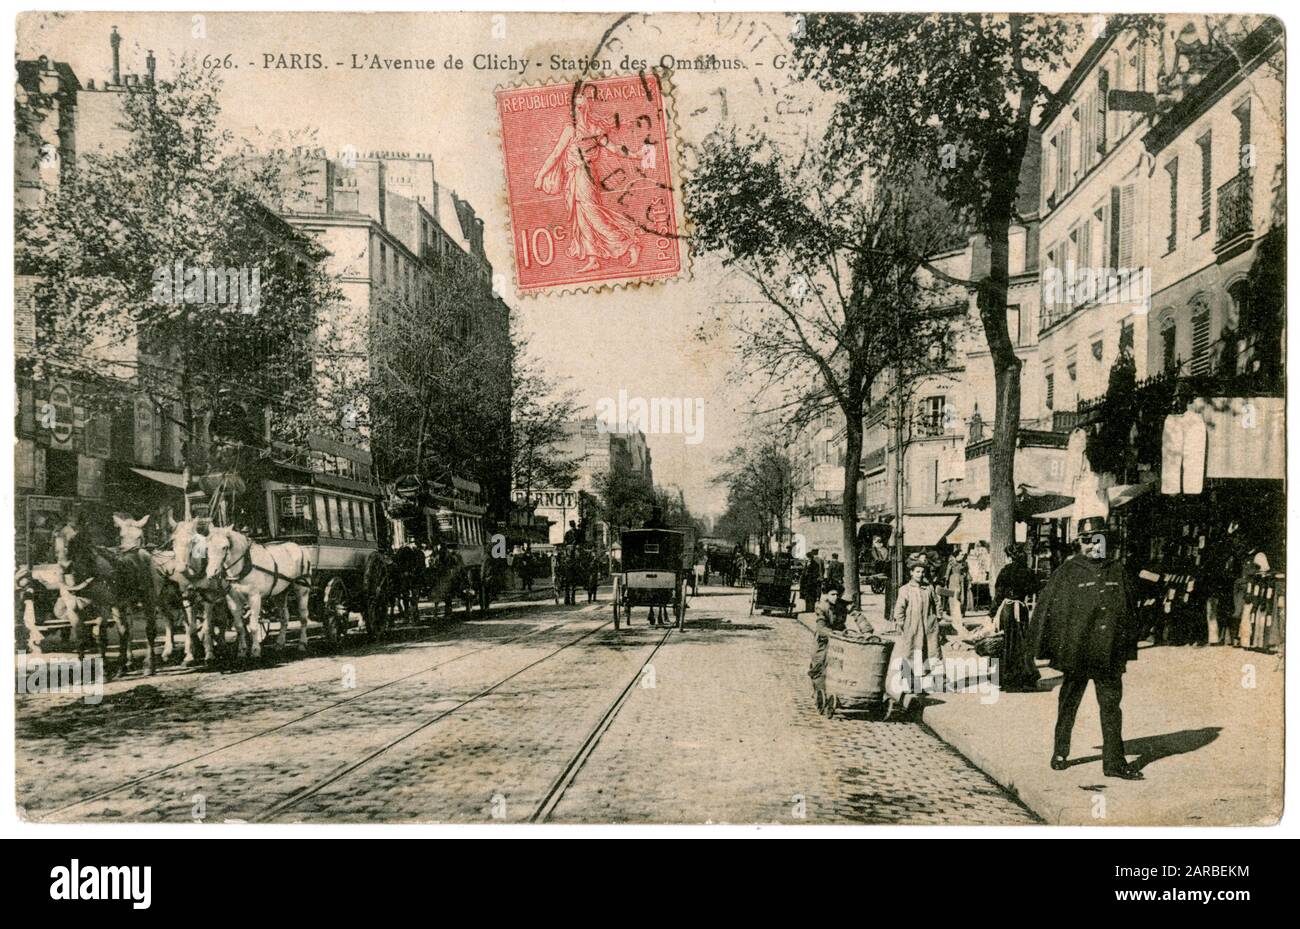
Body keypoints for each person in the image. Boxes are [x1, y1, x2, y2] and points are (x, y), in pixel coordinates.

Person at [1032, 516, 1144, 780]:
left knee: (1111, 708)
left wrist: (1125, 647)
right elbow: (1050, 612)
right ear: (1078, 543)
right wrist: (1056, 648)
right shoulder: (1067, 572)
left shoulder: (1117, 569)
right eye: (1086, 541)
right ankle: (1060, 752)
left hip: (1108, 656)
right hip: (1077, 654)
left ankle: (1114, 763)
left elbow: (1129, 610)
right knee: (1069, 704)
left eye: (1098, 540)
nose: (1092, 545)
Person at [992, 543, 1043, 691]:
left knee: (1006, 643)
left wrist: (991, 613)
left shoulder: (1005, 571)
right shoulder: (1028, 572)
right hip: (1021, 609)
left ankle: (1006, 679)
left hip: (1007, 610)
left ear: (1009, 557)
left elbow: (999, 594)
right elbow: (1037, 588)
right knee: (1022, 643)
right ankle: (1025, 678)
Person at [892, 553, 944, 674]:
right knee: (911, 649)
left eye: (922, 572)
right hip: (912, 626)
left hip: (929, 625)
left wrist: (938, 616)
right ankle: (909, 678)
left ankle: (937, 677)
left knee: (932, 649)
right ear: (911, 573)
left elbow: (937, 602)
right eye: (917, 572)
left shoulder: (928, 588)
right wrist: (901, 623)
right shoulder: (905, 589)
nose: (920, 575)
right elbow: (899, 608)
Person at [808, 581, 846, 704]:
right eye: (832, 594)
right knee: (819, 664)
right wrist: (833, 634)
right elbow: (821, 627)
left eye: (837, 594)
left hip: (838, 640)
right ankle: (819, 692)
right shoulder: (821, 607)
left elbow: (855, 614)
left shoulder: (841, 606)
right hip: (823, 641)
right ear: (827, 595)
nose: (835, 597)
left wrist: (866, 629)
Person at [800, 549, 822, 614]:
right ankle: (807, 609)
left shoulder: (815, 564)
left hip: (811, 583)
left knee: (811, 597)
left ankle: (811, 610)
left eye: (807, 558)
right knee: (807, 597)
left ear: (810, 558)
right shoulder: (807, 564)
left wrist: (808, 576)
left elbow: (815, 574)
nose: (806, 559)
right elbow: (804, 572)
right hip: (806, 583)